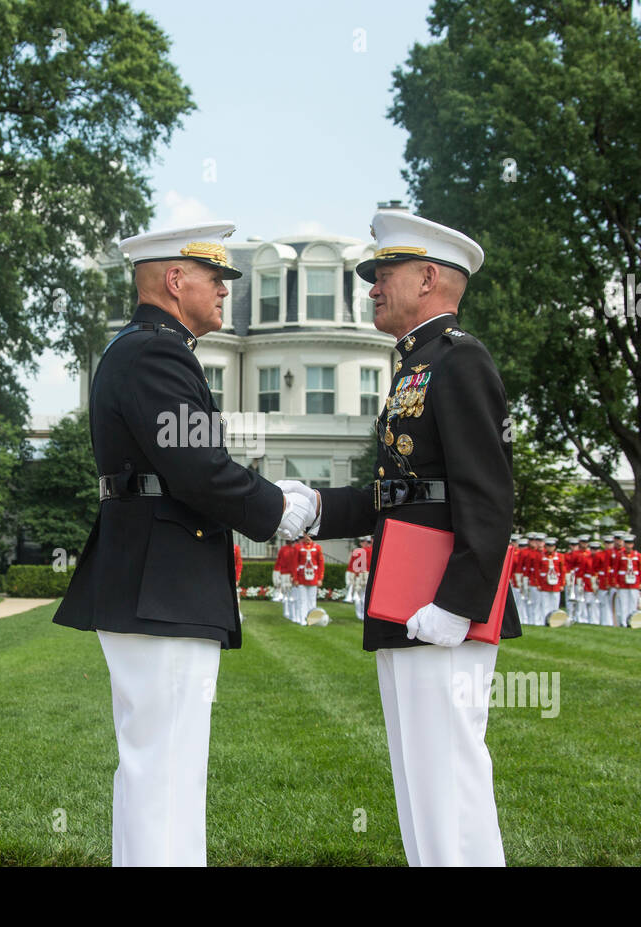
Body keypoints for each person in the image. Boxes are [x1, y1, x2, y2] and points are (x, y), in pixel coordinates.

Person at [52, 223, 313, 867]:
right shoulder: (159, 355)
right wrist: (277, 508)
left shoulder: (142, 349)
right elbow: (197, 468)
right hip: (162, 578)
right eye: (215, 278)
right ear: (175, 280)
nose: (224, 291)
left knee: (157, 768)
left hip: (152, 573)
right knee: (166, 771)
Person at [282, 208, 519, 867]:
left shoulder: (459, 360)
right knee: (420, 777)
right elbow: (405, 492)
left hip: (440, 598)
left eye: (385, 273)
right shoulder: (415, 365)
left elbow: (488, 492)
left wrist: (460, 602)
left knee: (448, 772)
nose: (373, 287)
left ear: (429, 278)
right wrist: (317, 507)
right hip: (406, 585)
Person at [292, 532, 324, 623]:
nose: (308, 537)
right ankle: (303, 619)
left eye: (310, 535)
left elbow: (321, 564)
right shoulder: (298, 547)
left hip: (313, 578)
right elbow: (295, 564)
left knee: (312, 600)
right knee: (303, 600)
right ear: (304, 535)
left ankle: (312, 620)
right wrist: (295, 578)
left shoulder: (317, 547)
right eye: (306, 535)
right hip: (301, 578)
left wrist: (320, 578)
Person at [615, 532, 641, 625]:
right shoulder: (619, 555)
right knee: (623, 603)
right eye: (627, 543)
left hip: (634, 583)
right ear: (624, 543)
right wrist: (615, 581)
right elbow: (616, 569)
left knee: (633, 603)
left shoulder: (638, 555)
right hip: (622, 582)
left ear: (633, 544)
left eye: (630, 543)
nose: (629, 545)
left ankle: (632, 621)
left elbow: (640, 570)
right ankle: (623, 622)